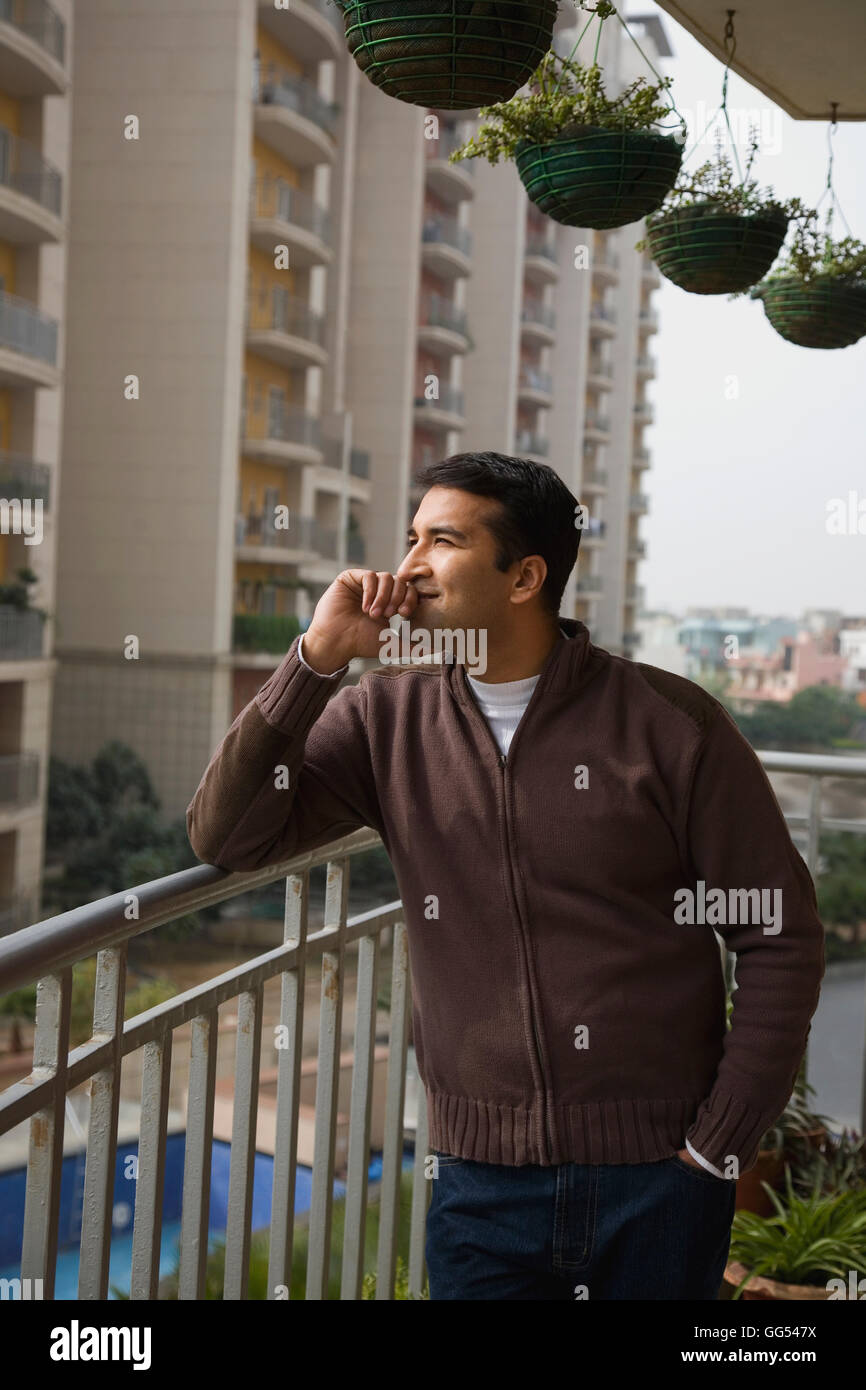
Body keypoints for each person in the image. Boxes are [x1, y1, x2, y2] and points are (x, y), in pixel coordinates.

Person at [186, 451, 825, 1300]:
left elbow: (780, 934)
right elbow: (227, 837)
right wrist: (316, 658)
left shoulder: (670, 726)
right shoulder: (384, 718)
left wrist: (720, 1147)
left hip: (660, 1177)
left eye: (442, 542)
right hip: (480, 1186)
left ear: (525, 577)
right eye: (410, 538)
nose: (408, 567)